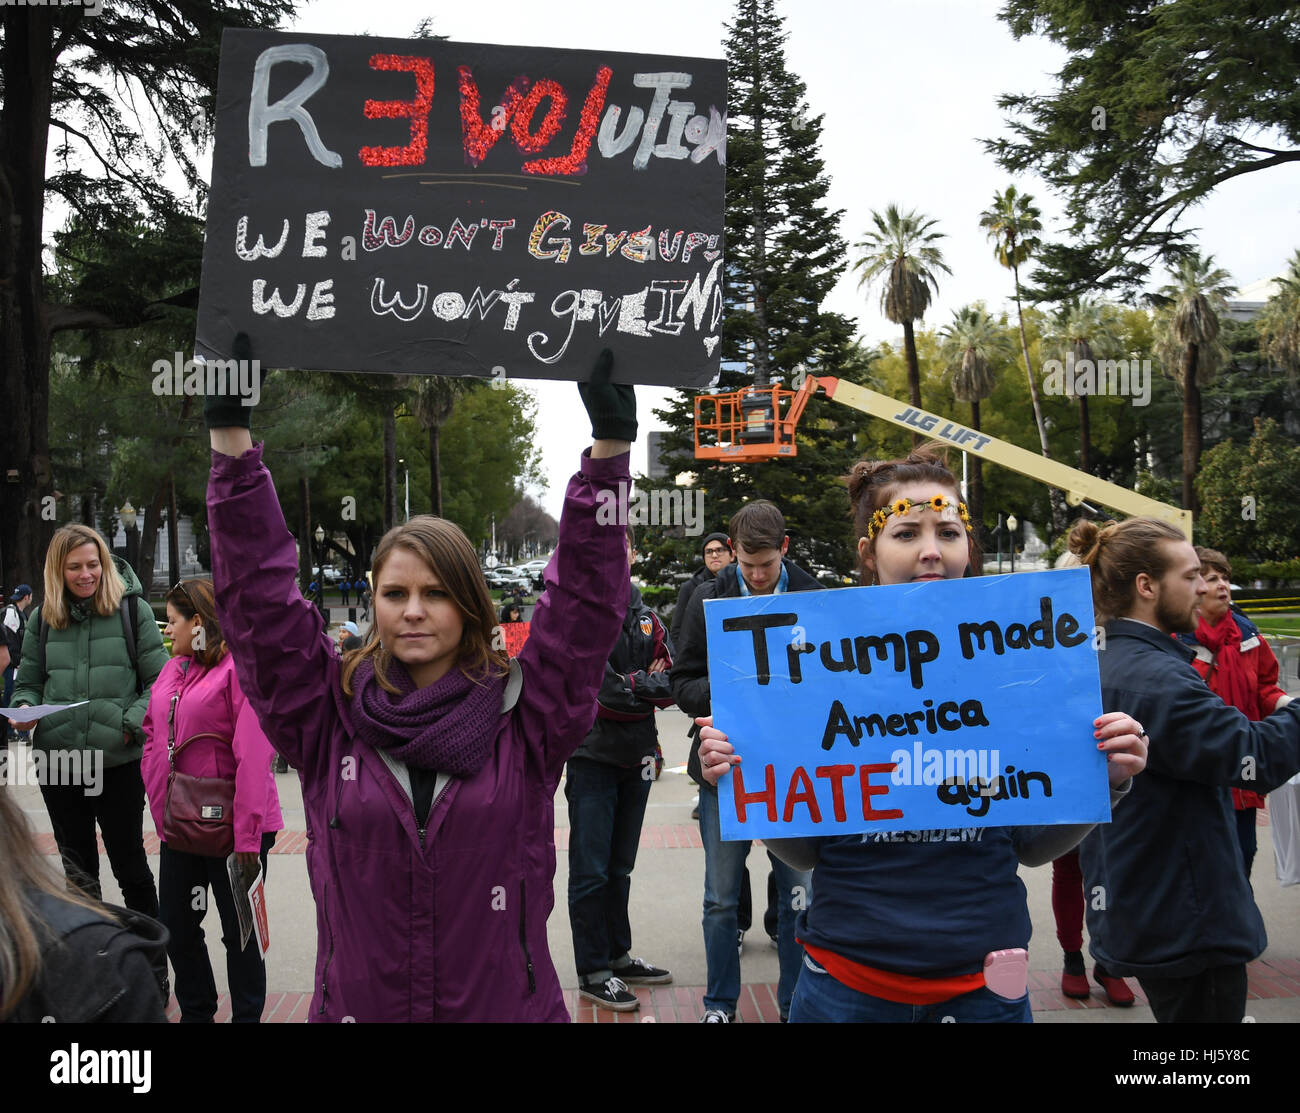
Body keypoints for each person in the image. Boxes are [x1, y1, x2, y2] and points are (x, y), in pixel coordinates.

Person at [203, 342, 632, 1021]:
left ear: (468, 604)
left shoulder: (528, 715)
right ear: (372, 602)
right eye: (394, 591)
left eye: (434, 591)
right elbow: (258, 603)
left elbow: (582, 606)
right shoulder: (326, 715)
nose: (411, 609)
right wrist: (232, 443)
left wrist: (608, 455)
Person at [696, 446, 1148, 1023]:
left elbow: (1033, 848)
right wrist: (745, 783)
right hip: (844, 990)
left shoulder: (1019, 670)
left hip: (987, 990)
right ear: (870, 552)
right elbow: (804, 853)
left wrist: (1105, 779)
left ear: (968, 548)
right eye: (907, 533)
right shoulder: (811, 672)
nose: (932, 551)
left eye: (950, 532)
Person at [1072, 519, 1300, 1022]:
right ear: (1146, 586)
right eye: (1192, 575)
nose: (1205, 587)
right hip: (1185, 916)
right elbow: (1253, 757)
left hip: (1150, 898)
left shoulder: (1103, 658)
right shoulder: (1155, 679)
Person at [670, 500, 819, 1023]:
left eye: (766, 566)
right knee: (719, 898)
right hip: (723, 772)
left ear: (784, 549)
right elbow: (682, 682)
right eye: (747, 565)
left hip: (794, 773)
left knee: (800, 893)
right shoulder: (707, 595)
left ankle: (796, 1004)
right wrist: (737, 689)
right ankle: (719, 1004)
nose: (756, 577)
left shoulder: (813, 595)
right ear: (731, 552)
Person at [140, 579, 284, 1023]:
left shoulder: (239, 671)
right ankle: (197, 1012)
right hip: (180, 824)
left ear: (198, 623)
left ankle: (246, 1016)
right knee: (177, 927)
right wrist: (153, 778)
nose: (168, 629)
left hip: (236, 829)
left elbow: (255, 754)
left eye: (174, 620)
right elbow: (152, 727)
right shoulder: (173, 668)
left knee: (238, 933)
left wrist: (246, 837)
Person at [8, 525, 167, 920]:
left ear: (105, 565)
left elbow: (162, 684)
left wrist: (129, 723)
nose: (86, 574)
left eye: (93, 565)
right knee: (78, 876)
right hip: (60, 764)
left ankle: (151, 967)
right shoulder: (43, 619)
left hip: (117, 763)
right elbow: (28, 682)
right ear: (57, 571)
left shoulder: (133, 611)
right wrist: (24, 708)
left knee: (130, 868)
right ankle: (94, 963)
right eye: (74, 567)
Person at [567, 524, 675, 1010]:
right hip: (590, 756)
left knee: (620, 867)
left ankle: (618, 954)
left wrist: (634, 686)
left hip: (640, 756)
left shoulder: (651, 618)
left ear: (632, 553)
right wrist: (638, 685)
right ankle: (594, 969)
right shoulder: (582, 616)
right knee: (590, 871)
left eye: (623, 547)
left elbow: (673, 682)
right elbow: (598, 691)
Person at [0, 790, 168, 1023]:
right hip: (62, 773)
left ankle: (158, 975)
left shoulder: (118, 963)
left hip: (114, 767)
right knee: (80, 876)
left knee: (132, 874)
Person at [1177, 547, 1293, 884]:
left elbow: (1266, 689)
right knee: (1200, 856)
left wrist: (1287, 705)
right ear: (1195, 587)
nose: (1223, 586)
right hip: (1198, 773)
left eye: (1225, 578)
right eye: (1212, 578)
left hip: (1242, 770)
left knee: (1244, 850)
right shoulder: (1174, 641)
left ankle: (1237, 923)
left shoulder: (1249, 637)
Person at [3, 585, 33, 740]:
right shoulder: (11, 612)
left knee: (15, 696)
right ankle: (13, 733)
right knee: (12, 696)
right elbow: (9, 640)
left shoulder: (22, 615)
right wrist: (16, 662)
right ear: (27, 596)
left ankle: (18, 733)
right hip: (12, 664)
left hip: (18, 663)